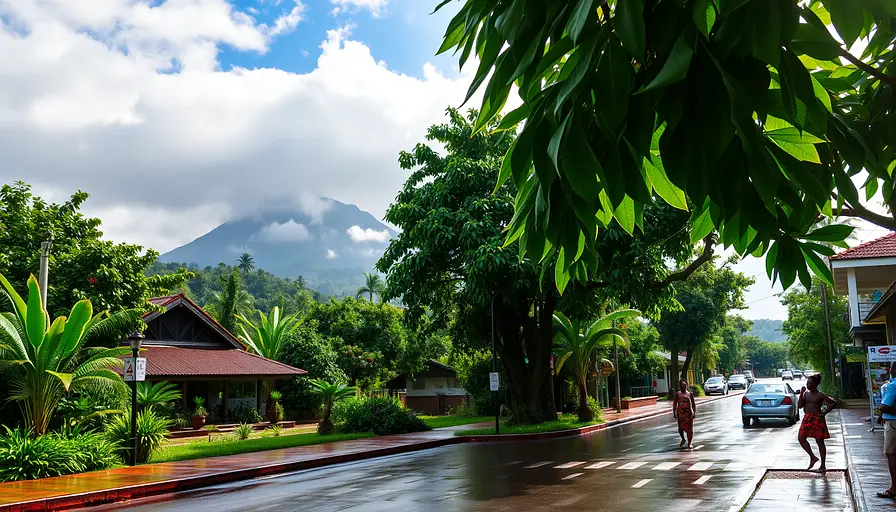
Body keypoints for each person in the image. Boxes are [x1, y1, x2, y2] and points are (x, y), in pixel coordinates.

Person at [797, 373, 836, 472]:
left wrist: (824, 412)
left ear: (815, 384)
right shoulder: (806, 394)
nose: (807, 385)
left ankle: (823, 465)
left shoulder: (820, 395)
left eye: (810, 383)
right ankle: (812, 457)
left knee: (819, 441)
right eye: (807, 383)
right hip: (807, 418)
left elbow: (833, 403)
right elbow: (800, 406)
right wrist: (801, 394)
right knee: (801, 438)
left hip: (817, 418)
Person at [877, 362, 896, 499]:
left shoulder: (893, 385)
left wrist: (882, 412)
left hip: (893, 424)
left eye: (891, 367)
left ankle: (894, 488)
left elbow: (885, 406)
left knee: (892, 454)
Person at [673, 379, 696, 449]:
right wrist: (674, 412)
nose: (684, 387)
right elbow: (674, 404)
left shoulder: (690, 394)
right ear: (680, 386)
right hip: (680, 414)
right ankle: (683, 439)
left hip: (689, 414)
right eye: (682, 385)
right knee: (680, 428)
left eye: (685, 385)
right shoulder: (677, 394)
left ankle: (690, 443)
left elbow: (693, 404)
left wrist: (694, 412)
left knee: (690, 429)